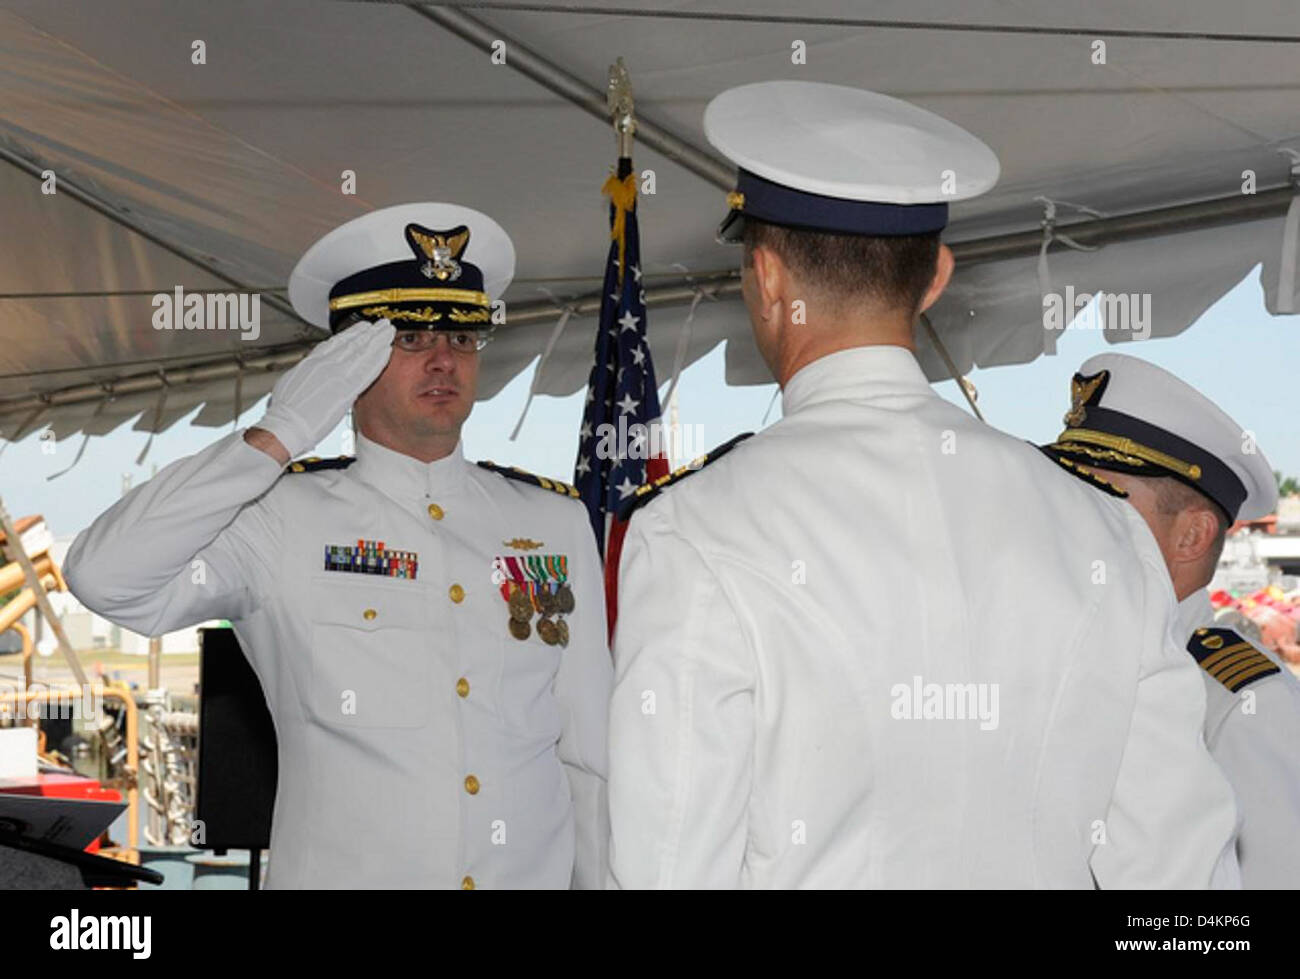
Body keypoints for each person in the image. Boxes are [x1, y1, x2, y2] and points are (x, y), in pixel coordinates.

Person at [606, 80, 1239, 888]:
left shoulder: (693, 530)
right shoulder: (1107, 531)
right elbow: (1185, 881)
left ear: (765, 278)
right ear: (936, 276)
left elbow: (668, 870)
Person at [65, 203, 611, 889]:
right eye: (410, 338)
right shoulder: (279, 517)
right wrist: (279, 433)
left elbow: (590, 758)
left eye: (462, 336)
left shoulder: (553, 522)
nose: (444, 359)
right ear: (347, 365)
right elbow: (104, 576)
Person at [1041, 352, 1300, 888]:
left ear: (1192, 536)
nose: (1068, 513)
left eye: (1101, 496)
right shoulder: (1071, 652)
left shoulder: (1241, 704)